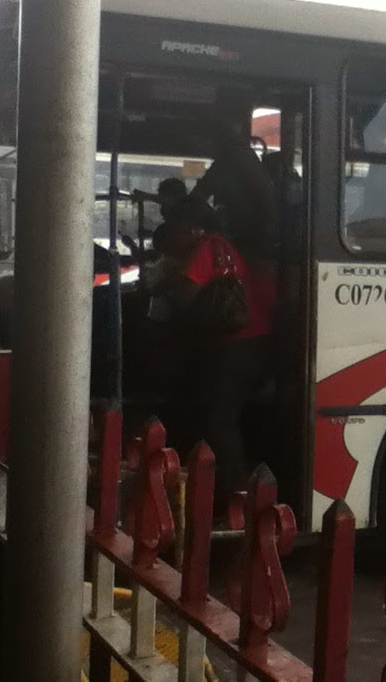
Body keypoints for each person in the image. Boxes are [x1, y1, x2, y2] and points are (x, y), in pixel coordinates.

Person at [164, 199, 276, 503]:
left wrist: (168, 279)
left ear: (191, 228)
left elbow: (184, 297)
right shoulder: (224, 246)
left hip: (237, 345)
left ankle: (234, 492)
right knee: (217, 412)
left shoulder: (204, 249)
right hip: (253, 340)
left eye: (176, 230)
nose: (173, 237)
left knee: (219, 417)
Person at [186, 116, 276, 262]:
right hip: (238, 235)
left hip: (249, 239)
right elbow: (197, 196)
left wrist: (265, 234)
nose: (200, 148)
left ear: (215, 139)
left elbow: (265, 193)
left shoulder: (237, 158)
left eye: (201, 142)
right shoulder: (225, 162)